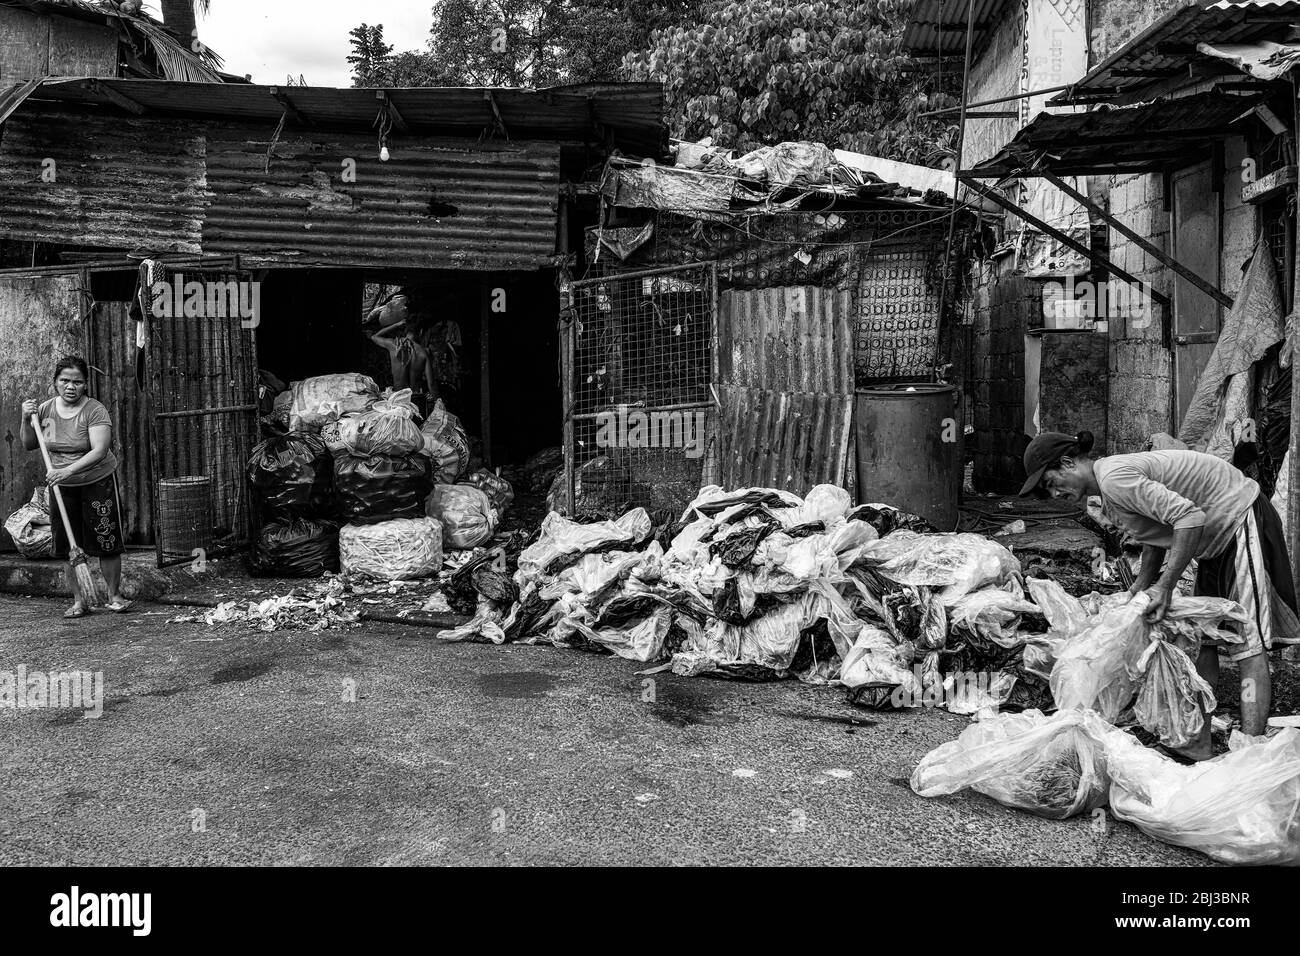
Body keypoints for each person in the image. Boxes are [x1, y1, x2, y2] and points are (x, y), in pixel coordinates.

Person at [1020, 430, 1298, 757]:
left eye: (1052, 483)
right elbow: (1158, 528)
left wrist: (1165, 587)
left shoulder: (1113, 480)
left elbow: (1188, 517)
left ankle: (1252, 751)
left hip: (1238, 518)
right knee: (1202, 642)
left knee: (1245, 642)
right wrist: (1142, 587)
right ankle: (1198, 743)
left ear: (1068, 463)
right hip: (1212, 543)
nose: (1054, 494)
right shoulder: (1108, 489)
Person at [19, 356, 132, 618]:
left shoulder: (94, 410)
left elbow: (100, 450)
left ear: (85, 385)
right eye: (65, 381)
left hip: (97, 481)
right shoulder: (45, 410)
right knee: (69, 545)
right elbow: (29, 444)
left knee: (107, 539)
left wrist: (66, 470)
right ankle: (80, 600)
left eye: (77, 382)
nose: (71, 386)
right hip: (61, 487)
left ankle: (114, 596)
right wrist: (26, 418)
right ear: (55, 383)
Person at [369, 322, 438, 415]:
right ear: (421, 332)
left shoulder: (393, 345)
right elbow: (431, 383)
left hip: (398, 399)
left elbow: (374, 337)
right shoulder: (424, 352)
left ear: (405, 331)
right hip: (416, 400)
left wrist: (395, 325)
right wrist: (438, 403)